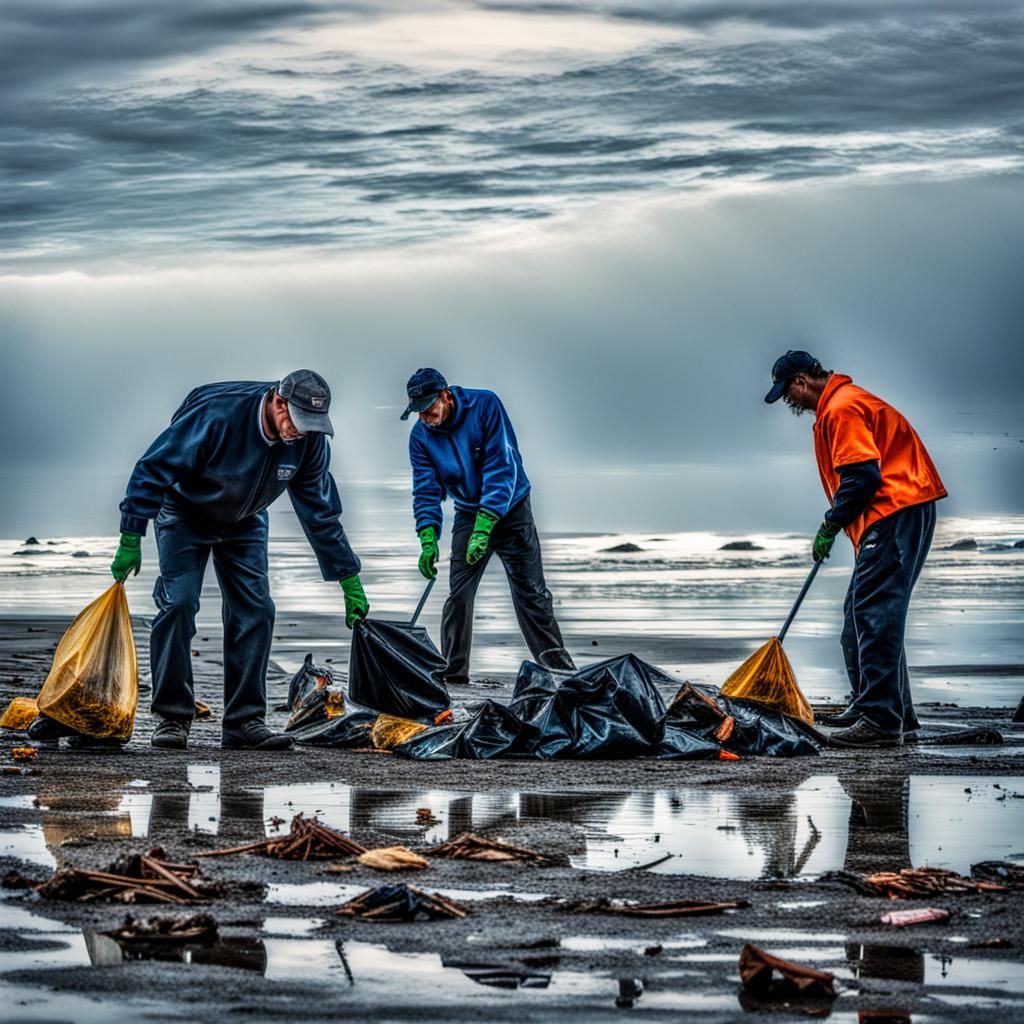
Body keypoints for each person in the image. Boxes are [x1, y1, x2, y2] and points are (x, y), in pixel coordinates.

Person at [102, 369, 367, 751]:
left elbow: (320, 512)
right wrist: (131, 534)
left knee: (256, 610)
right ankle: (173, 717)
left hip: (246, 519)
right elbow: (152, 469)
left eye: (313, 425)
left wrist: (348, 577)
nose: (302, 432)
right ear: (279, 402)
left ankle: (244, 722)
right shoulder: (217, 416)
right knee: (178, 604)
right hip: (184, 513)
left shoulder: (309, 442)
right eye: (298, 421)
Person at [765, 351, 947, 748]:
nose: (789, 401)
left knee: (875, 613)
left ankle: (881, 720)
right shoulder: (840, 404)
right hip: (896, 512)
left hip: (895, 511)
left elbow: (862, 476)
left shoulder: (841, 407)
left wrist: (830, 523)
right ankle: (885, 709)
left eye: (787, 393)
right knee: (861, 612)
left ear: (801, 382)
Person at [402, 367, 575, 685]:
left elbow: (501, 466)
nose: (425, 418)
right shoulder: (420, 437)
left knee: (531, 594)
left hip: (511, 509)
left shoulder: (485, 406)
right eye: (419, 412)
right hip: (468, 512)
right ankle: (453, 673)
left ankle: (560, 671)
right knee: (458, 595)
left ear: (445, 396)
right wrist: (427, 537)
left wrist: (485, 527)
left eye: (429, 409)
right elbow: (426, 490)